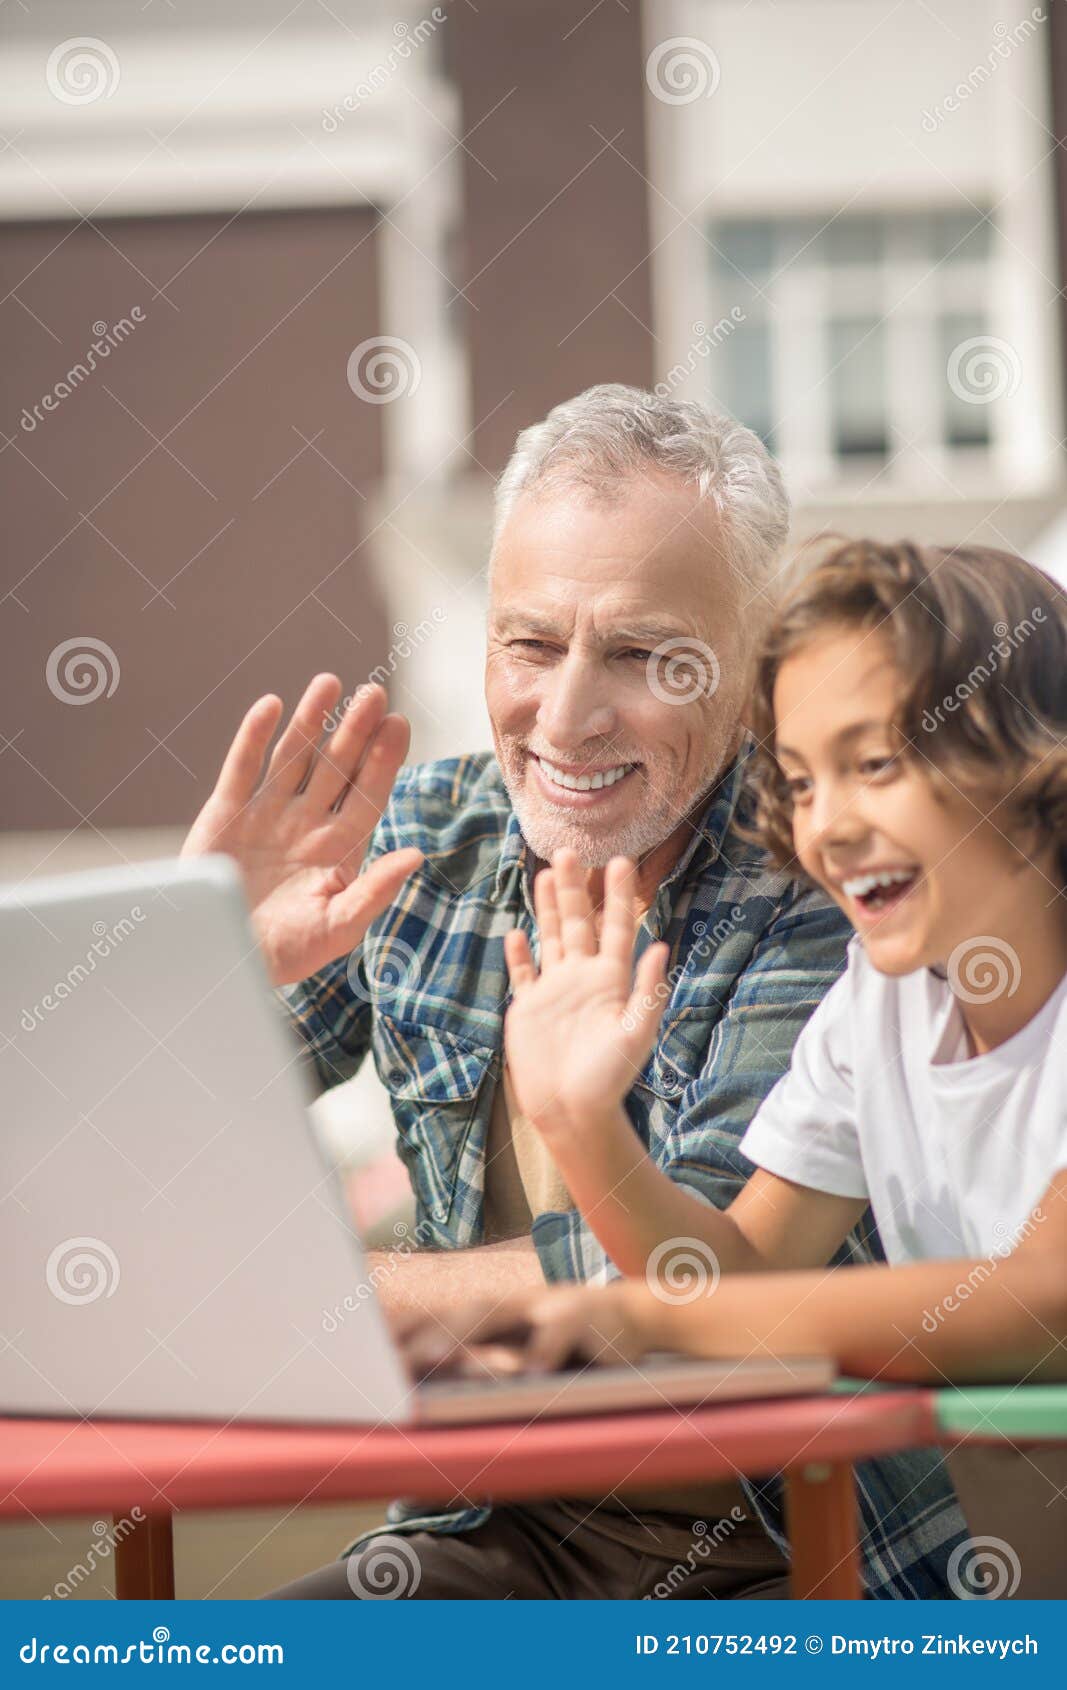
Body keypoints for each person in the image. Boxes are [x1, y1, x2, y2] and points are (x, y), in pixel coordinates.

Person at [182, 392, 963, 1598]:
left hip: (789, 1554)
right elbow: (133, 1193)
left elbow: (672, 1287)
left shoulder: (829, 880)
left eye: (645, 656)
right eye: (530, 644)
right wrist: (205, 965)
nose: (565, 717)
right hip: (493, 1530)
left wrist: (322, 1291)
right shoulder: (419, 839)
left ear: (754, 665)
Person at [405, 538, 1067, 1595]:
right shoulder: (880, 1007)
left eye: (875, 765)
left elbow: (1040, 1303)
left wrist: (630, 1314)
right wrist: (584, 1127)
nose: (827, 827)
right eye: (800, 782)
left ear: (1034, 755)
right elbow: (740, 1279)